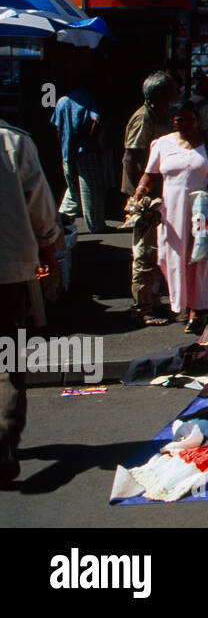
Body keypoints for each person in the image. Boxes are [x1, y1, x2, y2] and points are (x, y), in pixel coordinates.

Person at [130, 98, 208, 334]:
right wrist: (140, 190)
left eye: (190, 119)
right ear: (173, 121)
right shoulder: (162, 144)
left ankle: (198, 310)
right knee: (171, 257)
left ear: (198, 120)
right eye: (179, 119)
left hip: (203, 209)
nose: (185, 124)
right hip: (173, 212)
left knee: (201, 257)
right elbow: (150, 174)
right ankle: (181, 303)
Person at [0, 118, 60, 486]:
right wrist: (48, 243)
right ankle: (2, 438)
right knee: (6, 353)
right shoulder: (12, 141)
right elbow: (38, 201)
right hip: (7, 267)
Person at [121, 70, 180, 326]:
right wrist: (140, 197)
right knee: (145, 254)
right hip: (146, 197)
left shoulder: (156, 114)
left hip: (155, 193)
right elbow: (130, 157)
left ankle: (152, 301)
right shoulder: (143, 117)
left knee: (155, 252)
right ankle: (144, 307)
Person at [51, 79, 106, 234]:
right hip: (85, 150)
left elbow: (57, 127)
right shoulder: (90, 100)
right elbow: (96, 119)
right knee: (90, 189)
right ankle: (95, 225)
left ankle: (62, 220)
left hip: (67, 152)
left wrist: (63, 147)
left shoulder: (62, 101)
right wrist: (91, 137)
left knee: (72, 189)